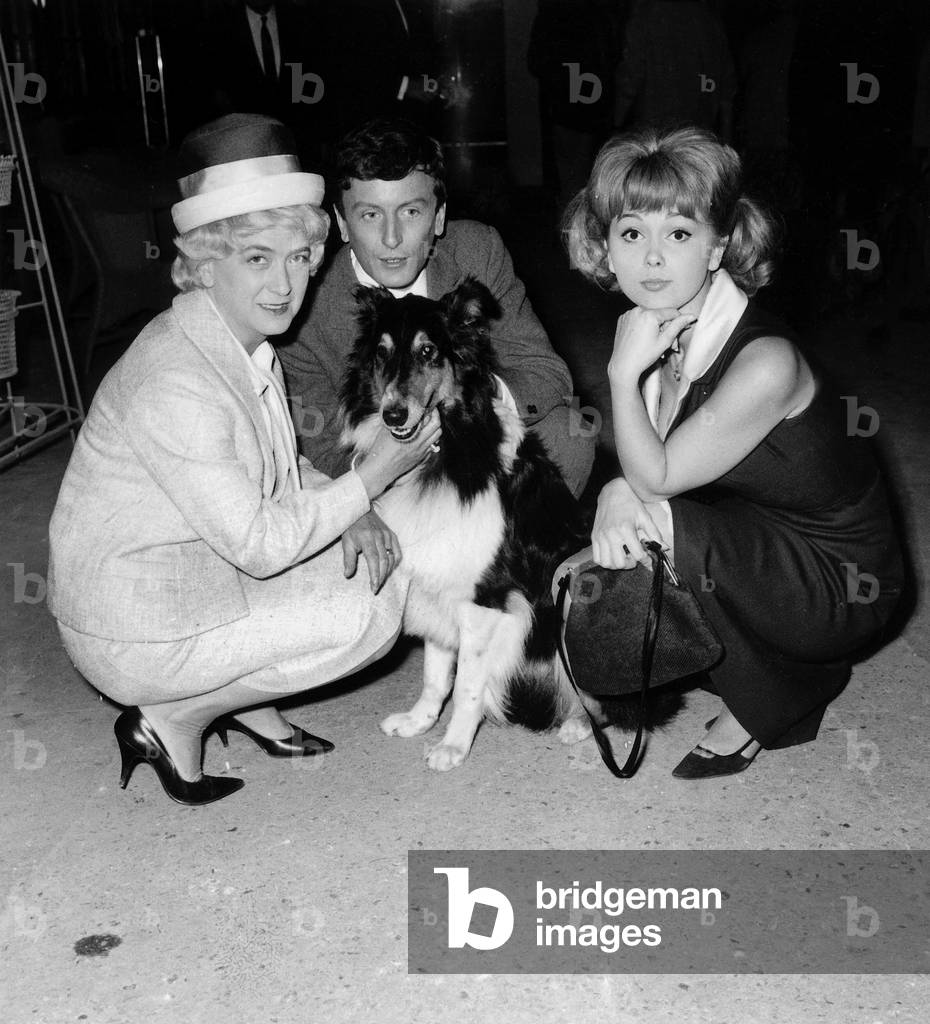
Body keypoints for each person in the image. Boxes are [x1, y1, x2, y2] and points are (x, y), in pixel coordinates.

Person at [46, 114, 440, 805]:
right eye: (257, 259)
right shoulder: (178, 379)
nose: (286, 284)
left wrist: (353, 508)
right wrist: (374, 476)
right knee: (375, 610)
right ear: (205, 263)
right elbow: (259, 545)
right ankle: (176, 714)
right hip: (134, 629)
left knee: (378, 562)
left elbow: (280, 466)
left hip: (197, 572)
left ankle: (247, 700)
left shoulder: (239, 338)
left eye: (298, 257)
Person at [562, 126, 903, 779]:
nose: (652, 258)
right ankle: (769, 657)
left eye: (678, 234)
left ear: (717, 247)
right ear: (605, 246)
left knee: (654, 521)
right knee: (596, 564)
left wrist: (619, 379)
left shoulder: (766, 362)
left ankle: (779, 691)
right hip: (765, 538)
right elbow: (655, 468)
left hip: (844, 583)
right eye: (631, 233)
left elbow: (656, 478)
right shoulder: (666, 333)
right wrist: (616, 492)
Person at [279, 117, 595, 498]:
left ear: (439, 215)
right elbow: (320, 449)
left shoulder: (477, 251)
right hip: (382, 476)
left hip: (476, 444)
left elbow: (546, 372)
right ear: (343, 224)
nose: (392, 239)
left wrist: (474, 396)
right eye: (370, 215)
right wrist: (381, 472)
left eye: (410, 212)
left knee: (567, 438)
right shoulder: (308, 305)